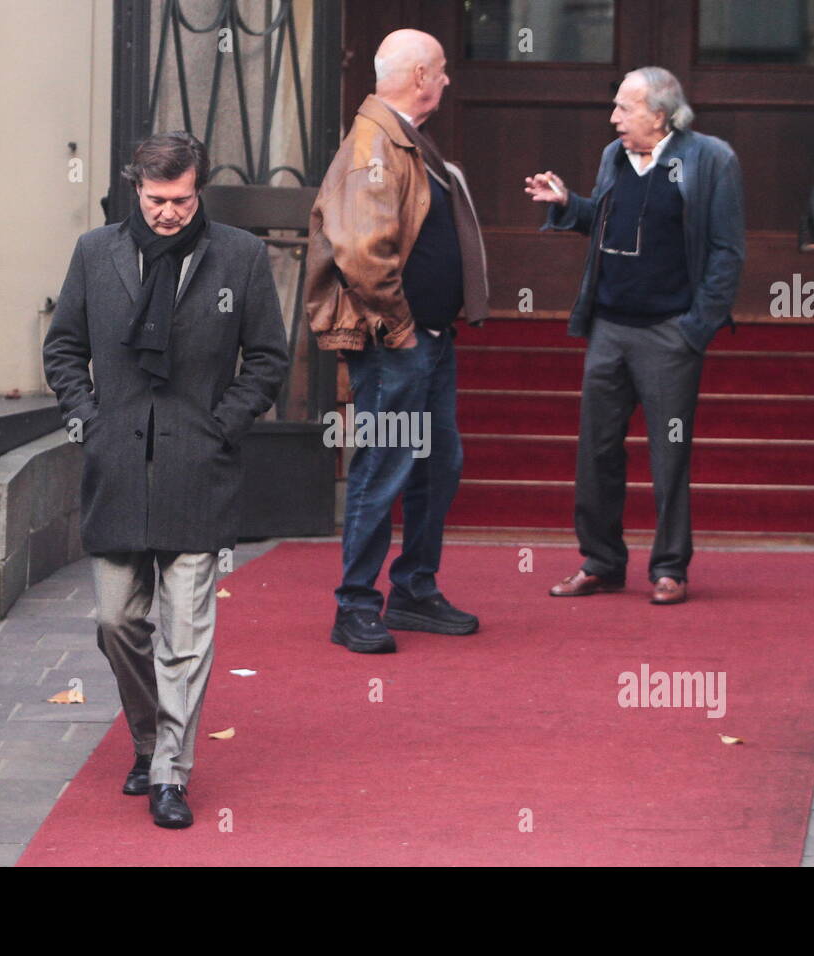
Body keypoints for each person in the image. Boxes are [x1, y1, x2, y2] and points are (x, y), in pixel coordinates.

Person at [42, 132, 288, 828]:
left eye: (181, 199)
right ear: (136, 191)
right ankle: (150, 738)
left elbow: (268, 356)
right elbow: (63, 347)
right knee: (116, 622)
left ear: (198, 189)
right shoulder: (96, 253)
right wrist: (89, 419)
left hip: (198, 467)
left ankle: (169, 773)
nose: (169, 212)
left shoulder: (239, 255)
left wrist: (223, 424)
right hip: (117, 466)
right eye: (156, 200)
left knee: (186, 632)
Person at [524, 66, 744, 606]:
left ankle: (669, 567)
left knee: (669, 454)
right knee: (596, 452)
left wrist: (696, 328)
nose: (614, 118)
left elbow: (727, 252)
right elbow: (607, 220)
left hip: (670, 333)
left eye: (625, 108)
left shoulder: (710, 159)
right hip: (610, 328)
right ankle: (601, 562)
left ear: (660, 114)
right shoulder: (612, 156)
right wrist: (568, 206)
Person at [305, 28, 489, 654]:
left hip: (426, 341)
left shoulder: (404, 137)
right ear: (418, 76)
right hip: (394, 344)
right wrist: (403, 329)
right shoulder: (373, 143)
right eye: (439, 71)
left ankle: (414, 590)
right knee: (383, 468)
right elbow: (361, 252)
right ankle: (355, 605)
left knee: (438, 463)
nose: (445, 80)